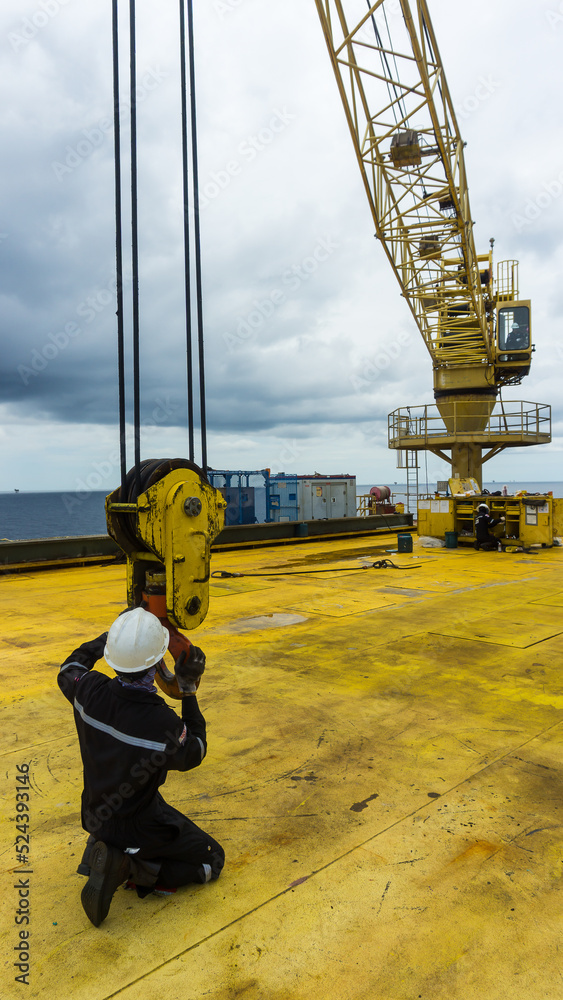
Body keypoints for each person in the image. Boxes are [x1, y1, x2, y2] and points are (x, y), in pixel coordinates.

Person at [57, 606, 224, 927]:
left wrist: (114, 638)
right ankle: (128, 866)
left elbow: (70, 665)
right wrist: (188, 690)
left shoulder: (88, 690)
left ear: (112, 657)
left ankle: (101, 843)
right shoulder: (161, 723)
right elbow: (196, 751)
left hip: (94, 813)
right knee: (211, 861)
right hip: (138, 823)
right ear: (158, 661)